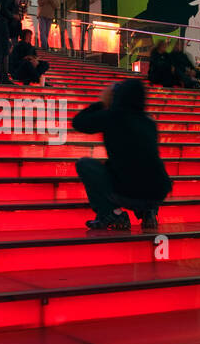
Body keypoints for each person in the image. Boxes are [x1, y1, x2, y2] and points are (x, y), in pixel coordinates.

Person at [71, 78, 172, 231]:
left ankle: (112, 213)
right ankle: (148, 213)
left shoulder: (113, 117)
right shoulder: (149, 122)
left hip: (128, 194)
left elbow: (78, 122)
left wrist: (102, 103)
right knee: (140, 168)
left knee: (85, 165)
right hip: (157, 194)